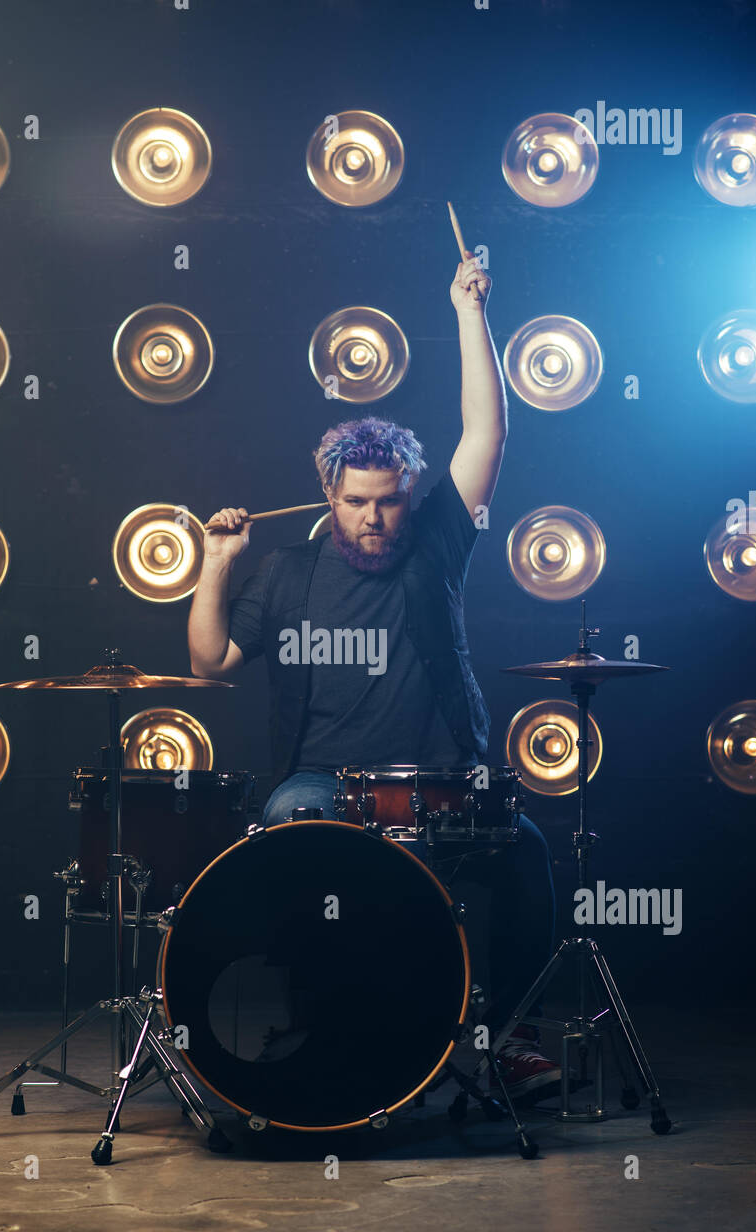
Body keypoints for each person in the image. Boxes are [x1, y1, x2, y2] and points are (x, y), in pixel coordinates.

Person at [188, 256, 559, 1100]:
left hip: (439, 773)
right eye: (357, 501)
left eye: (388, 500)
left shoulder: (436, 542)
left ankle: (512, 1037)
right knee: (286, 817)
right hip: (325, 778)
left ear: (410, 492)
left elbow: (485, 432)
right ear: (328, 491)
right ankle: (321, 1013)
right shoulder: (283, 574)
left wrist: (467, 309)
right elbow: (208, 662)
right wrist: (215, 565)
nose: (373, 518)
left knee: (528, 852)